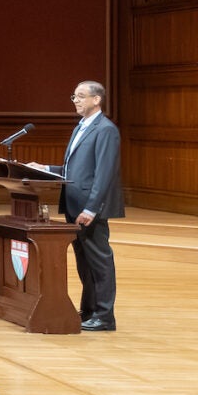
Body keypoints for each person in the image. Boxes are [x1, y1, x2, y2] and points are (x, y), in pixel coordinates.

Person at [52, 80, 124, 332]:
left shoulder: (105, 129)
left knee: (99, 262)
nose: (76, 101)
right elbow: (75, 170)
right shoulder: (81, 127)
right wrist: (45, 169)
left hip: (89, 209)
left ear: (97, 99)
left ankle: (105, 316)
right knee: (84, 262)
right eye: (74, 96)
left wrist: (92, 208)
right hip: (75, 206)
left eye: (81, 96)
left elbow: (104, 173)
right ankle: (90, 310)